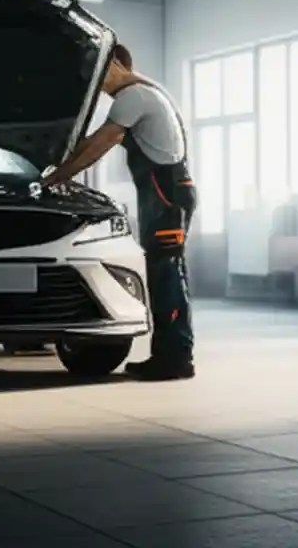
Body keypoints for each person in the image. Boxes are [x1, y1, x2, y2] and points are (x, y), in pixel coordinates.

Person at [42, 43, 197, 381]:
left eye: (100, 73)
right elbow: (94, 142)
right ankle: (174, 354)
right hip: (168, 191)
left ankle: (174, 358)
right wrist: (60, 165)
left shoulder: (134, 96)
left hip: (165, 194)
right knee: (168, 270)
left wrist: (57, 175)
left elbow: (100, 143)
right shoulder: (146, 94)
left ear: (115, 63)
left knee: (165, 274)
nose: (98, 85)